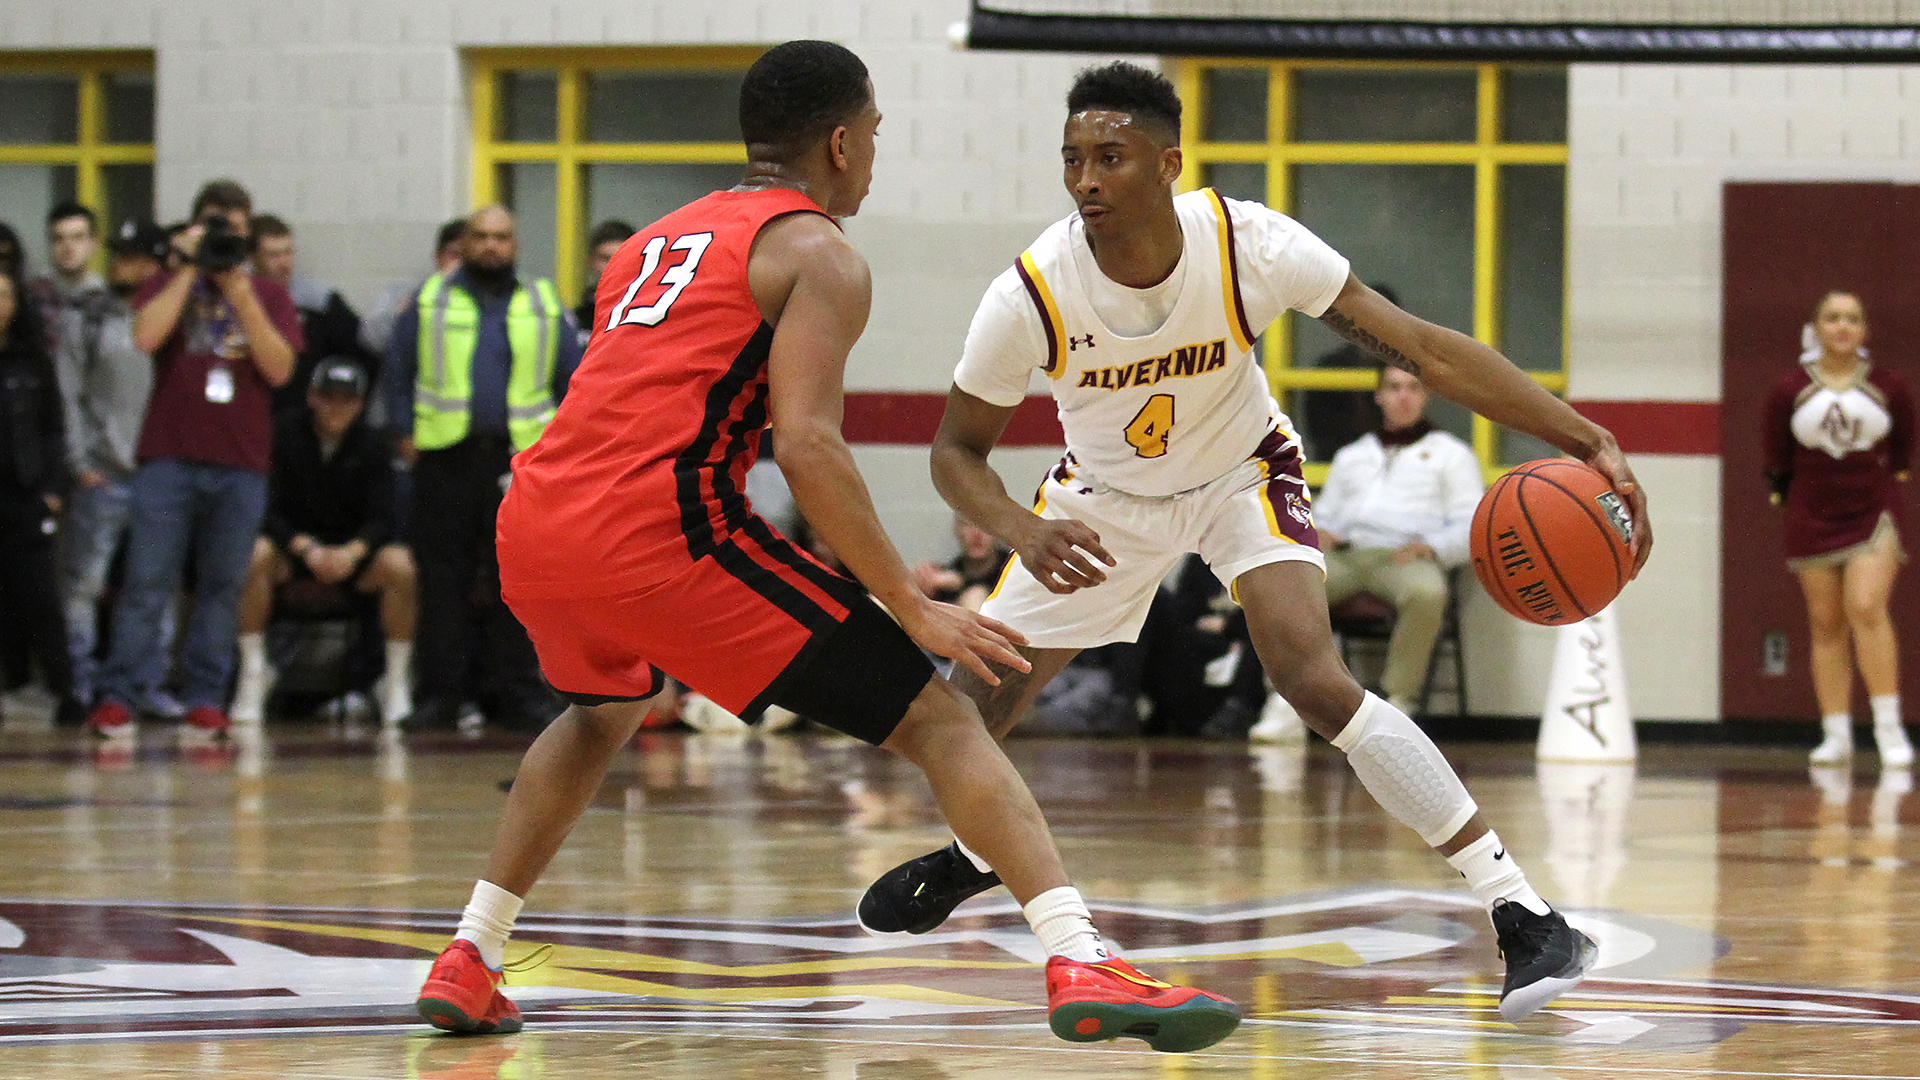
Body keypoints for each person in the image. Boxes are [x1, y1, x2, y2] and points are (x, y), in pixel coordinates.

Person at [413, 41, 1240, 1055]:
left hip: (535, 522)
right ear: (843, 142)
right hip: (658, 532)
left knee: (599, 715)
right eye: (879, 136)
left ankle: (471, 952)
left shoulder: (654, 243)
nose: (878, 157)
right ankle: (1079, 957)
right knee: (942, 723)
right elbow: (808, 444)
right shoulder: (820, 255)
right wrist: (906, 598)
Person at [856, 61, 1653, 1025]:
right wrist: (1023, 528)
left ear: (1169, 163)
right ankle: (974, 859)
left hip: (1244, 470)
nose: (1086, 181)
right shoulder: (1030, 292)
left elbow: (1426, 349)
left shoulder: (1251, 244)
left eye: (1111, 157)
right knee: (958, 723)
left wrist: (1585, 435)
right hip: (1102, 503)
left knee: (1313, 677)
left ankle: (1525, 915)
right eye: (1073, 160)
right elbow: (955, 452)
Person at [82, 178, 303, 740]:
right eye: (213, 223)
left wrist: (240, 288)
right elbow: (145, 337)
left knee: (222, 586)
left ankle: (206, 696)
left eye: (234, 225)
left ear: (250, 230)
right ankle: (119, 695)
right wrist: (187, 268)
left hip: (241, 462)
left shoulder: (271, 295)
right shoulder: (166, 282)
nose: (224, 234)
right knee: (146, 580)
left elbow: (279, 370)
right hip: (168, 457)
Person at [385, 206, 582, 732]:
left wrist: (562, 452)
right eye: (482, 237)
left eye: (502, 237)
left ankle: (519, 694)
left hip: (521, 462)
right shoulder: (430, 299)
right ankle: (441, 697)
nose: (492, 246)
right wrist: (404, 434)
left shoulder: (542, 301)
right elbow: (397, 372)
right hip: (444, 459)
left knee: (516, 582)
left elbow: (573, 381)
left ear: (515, 245)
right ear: (465, 243)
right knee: (442, 579)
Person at [1262, 363, 1483, 726]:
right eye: (1394, 387)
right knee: (1288, 591)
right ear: (1379, 396)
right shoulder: (1354, 454)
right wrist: (1322, 532)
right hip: (1349, 554)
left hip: (1405, 556)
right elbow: (1327, 514)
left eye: (1413, 387)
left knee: (1427, 593)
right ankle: (1287, 700)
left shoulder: (1451, 454)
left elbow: (1471, 523)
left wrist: (1432, 547)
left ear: (1425, 396)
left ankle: (1398, 700)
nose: (1403, 396)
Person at [1764, 291, 1915, 767]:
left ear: (1865, 329)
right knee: (1826, 624)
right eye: (1833, 318)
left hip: (1874, 509)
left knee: (1866, 606)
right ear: (1816, 327)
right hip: (1811, 513)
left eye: (1853, 318)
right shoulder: (1789, 389)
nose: (1843, 327)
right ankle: (1836, 734)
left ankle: (1889, 731)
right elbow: (1776, 456)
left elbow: (1905, 449)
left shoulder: (1889, 384)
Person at [232, 358, 414, 726]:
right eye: (328, 397)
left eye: (347, 399)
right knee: (253, 554)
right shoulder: (283, 434)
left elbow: (384, 517)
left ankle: (394, 680)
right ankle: (254, 672)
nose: (337, 407)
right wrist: (305, 548)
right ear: (312, 397)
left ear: (360, 404)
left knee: (401, 566)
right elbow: (266, 509)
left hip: (354, 555)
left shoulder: (374, 445)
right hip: (296, 551)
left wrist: (351, 552)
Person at [55, 220, 166, 710]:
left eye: (135, 256)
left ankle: (146, 684)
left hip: (159, 474)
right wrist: (79, 462)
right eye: (118, 254)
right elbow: (68, 394)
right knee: (84, 584)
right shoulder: (89, 318)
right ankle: (80, 683)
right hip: (104, 472)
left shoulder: (172, 319)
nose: (122, 264)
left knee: (151, 586)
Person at [0, 258, 80, 725]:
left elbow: (53, 427)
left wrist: (53, 487)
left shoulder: (33, 360)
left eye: (4, 296)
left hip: (25, 492)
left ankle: (65, 691)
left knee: (40, 596)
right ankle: (10, 681)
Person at [250, 214, 382, 418]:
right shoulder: (236, 303)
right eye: (273, 255)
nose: (285, 263)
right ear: (252, 257)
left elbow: (364, 355)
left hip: (306, 421)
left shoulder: (319, 303)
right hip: (252, 413)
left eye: (288, 252)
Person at [29, 202, 107, 356]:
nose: (68, 246)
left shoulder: (108, 299)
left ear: (94, 242)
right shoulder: (31, 296)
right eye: (58, 238)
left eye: (77, 237)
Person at [911, 514, 1010, 612]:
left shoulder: (1013, 569)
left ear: (997, 531)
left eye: (984, 525)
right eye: (967, 525)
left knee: (975, 595)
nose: (976, 534)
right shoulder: (946, 578)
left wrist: (961, 584)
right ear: (957, 530)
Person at [575, 218, 636, 331]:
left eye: (621, 258)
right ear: (590, 260)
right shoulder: (575, 320)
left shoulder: (653, 313)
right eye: (604, 258)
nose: (612, 266)